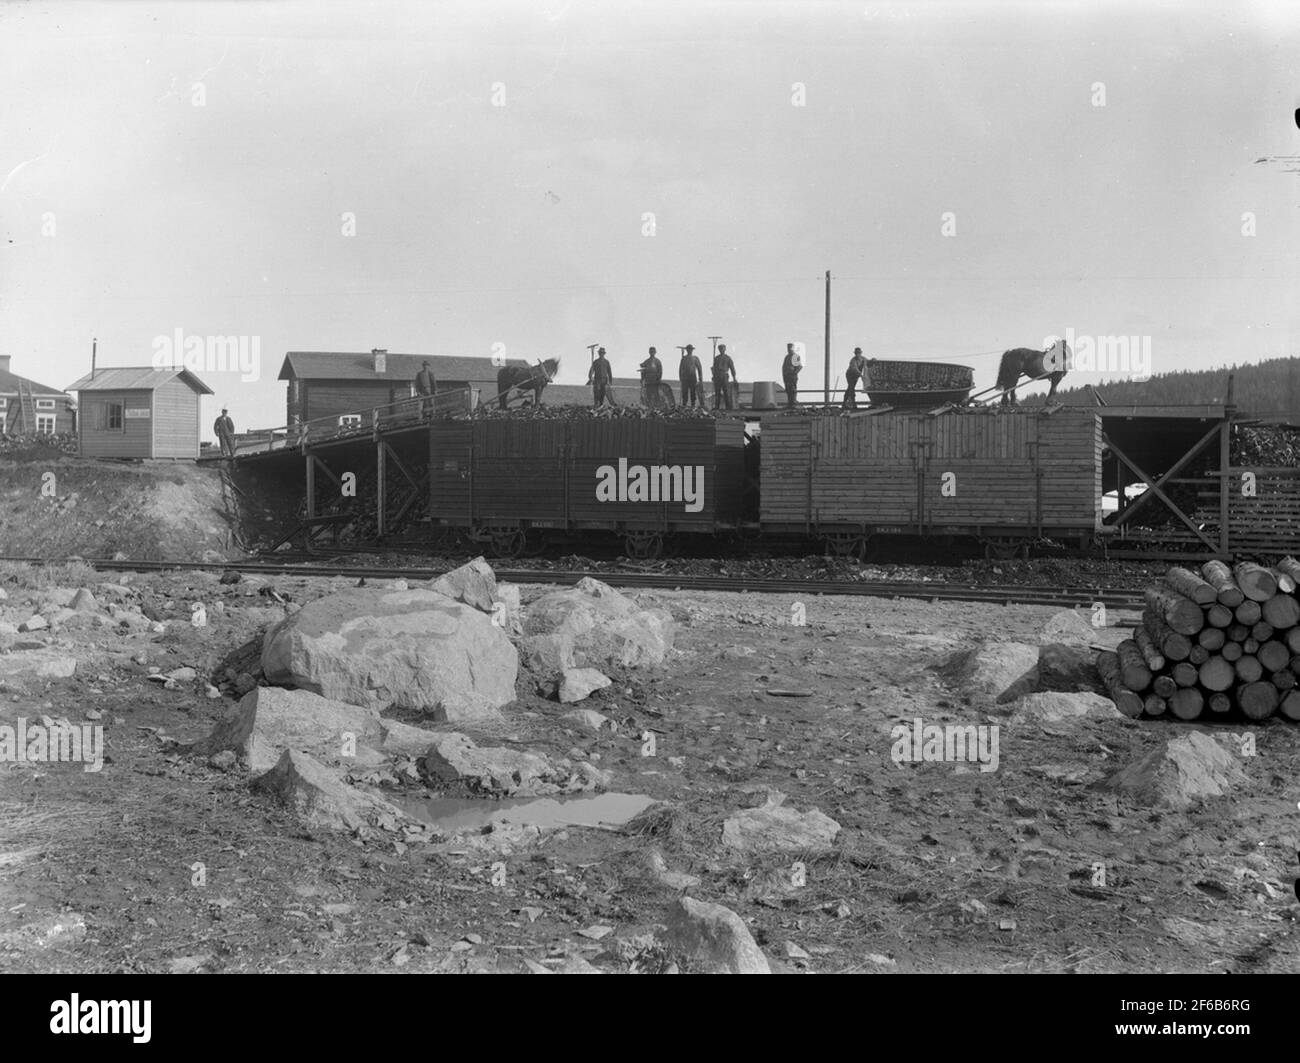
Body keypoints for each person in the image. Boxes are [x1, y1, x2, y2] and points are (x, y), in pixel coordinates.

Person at [711, 343, 737, 410]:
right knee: (717, 392)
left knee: (726, 392)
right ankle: (717, 407)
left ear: (725, 349)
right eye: (720, 349)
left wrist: (734, 378)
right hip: (717, 376)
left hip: (724, 376)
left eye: (722, 348)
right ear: (718, 350)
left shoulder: (728, 358)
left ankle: (728, 407)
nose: (721, 350)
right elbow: (714, 368)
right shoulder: (716, 358)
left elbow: (732, 368)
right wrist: (713, 375)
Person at [781, 343, 801, 408]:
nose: (789, 349)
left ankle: (793, 404)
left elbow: (799, 366)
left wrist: (794, 373)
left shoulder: (795, 356)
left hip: (792, 376)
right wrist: (784, 375)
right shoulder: (787, 357)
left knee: (792, 390)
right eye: (788, 348)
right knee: (788, 390)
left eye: (790, 348)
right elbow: (784, 367)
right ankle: (789, 404)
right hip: (786, 376)